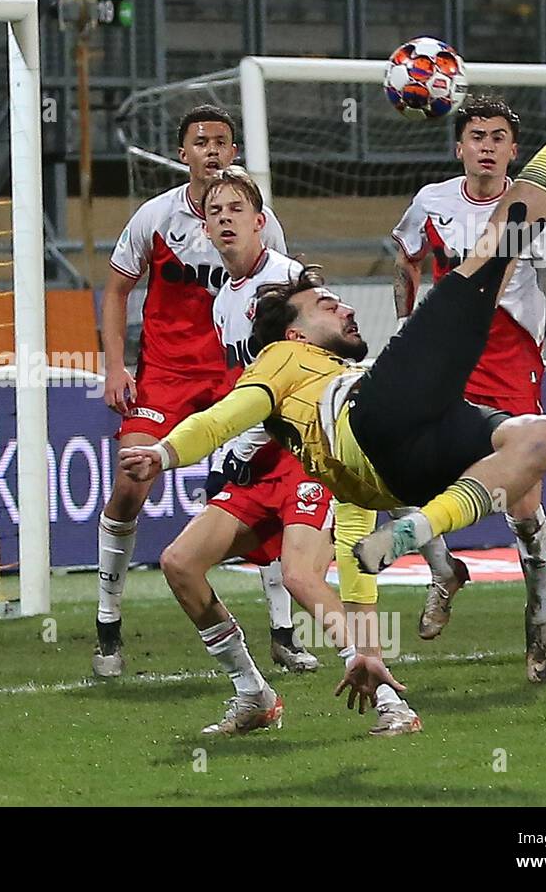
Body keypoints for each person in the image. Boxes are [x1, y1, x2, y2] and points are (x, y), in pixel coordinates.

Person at [118, 68, 546, 587]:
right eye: (323, 302)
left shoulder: (295, 377)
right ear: (295, 332)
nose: (341, 305)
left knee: (542, 439)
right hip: (378, 421)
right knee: (509, 230)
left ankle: (412, 566)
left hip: (390, 478)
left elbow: (232, 422)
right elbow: (224, 417)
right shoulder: (283, 362)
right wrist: (163, 452)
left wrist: (170, 453)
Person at [163, 168, 418, 736]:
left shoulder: (290, 284)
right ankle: (252, 693)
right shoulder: (223, 301)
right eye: (213, 211)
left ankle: (391, 703)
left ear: (260, 223)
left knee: (303, 576)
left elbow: (320, 364)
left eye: (236, 209)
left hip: (309, 452)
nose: (224, 218)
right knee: (180, 564)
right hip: (260, 460)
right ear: (203, 227)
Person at [376, 94, 546, 682]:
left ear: (514, 151)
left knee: (522, 503)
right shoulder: (429, 203)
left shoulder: (537, 212)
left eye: (497, 138)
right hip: (443, 362)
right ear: (459, 146)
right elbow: (404, 259)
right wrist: (407, 322)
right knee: (386, 467)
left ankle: (538, 609)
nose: (485, 146)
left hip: (509, 367)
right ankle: (444, 570)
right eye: (476, 136)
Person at [93, 104, 309, 677]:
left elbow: (282, 306)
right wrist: (116, 367)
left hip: (239, 374)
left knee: (266, 488)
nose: (211, 150)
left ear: (234, 153)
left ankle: (283, 633)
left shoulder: (261, 222)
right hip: (166, 373)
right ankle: (107, 623)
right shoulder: (154, 217)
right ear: (182, 152)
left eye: (221, 142)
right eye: (200, 142)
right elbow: (116, 290)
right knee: (130, 480)